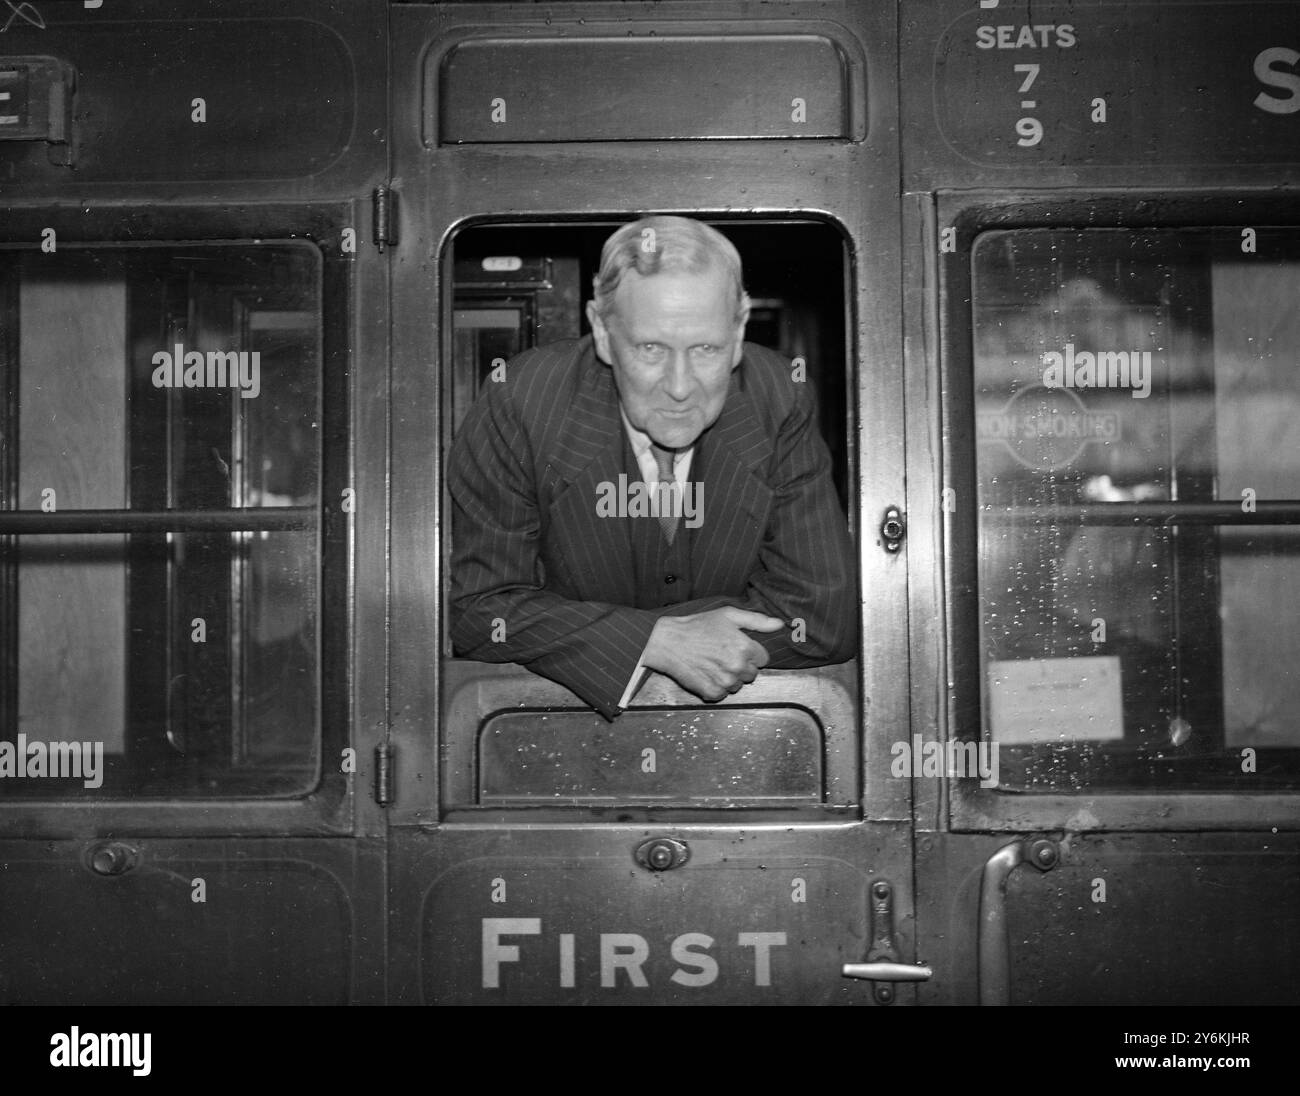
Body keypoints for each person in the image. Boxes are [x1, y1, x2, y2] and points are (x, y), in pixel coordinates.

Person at [448, 215, 856, 720]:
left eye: (705, 349)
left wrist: (603, 638)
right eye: (650, 349)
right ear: (601, 331)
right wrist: (655, 641)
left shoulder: (778, 397)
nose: (680, 386)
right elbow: (480, 614)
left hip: (743, 741)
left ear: (739, 328)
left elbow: (821, 619)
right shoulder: (521, 403)